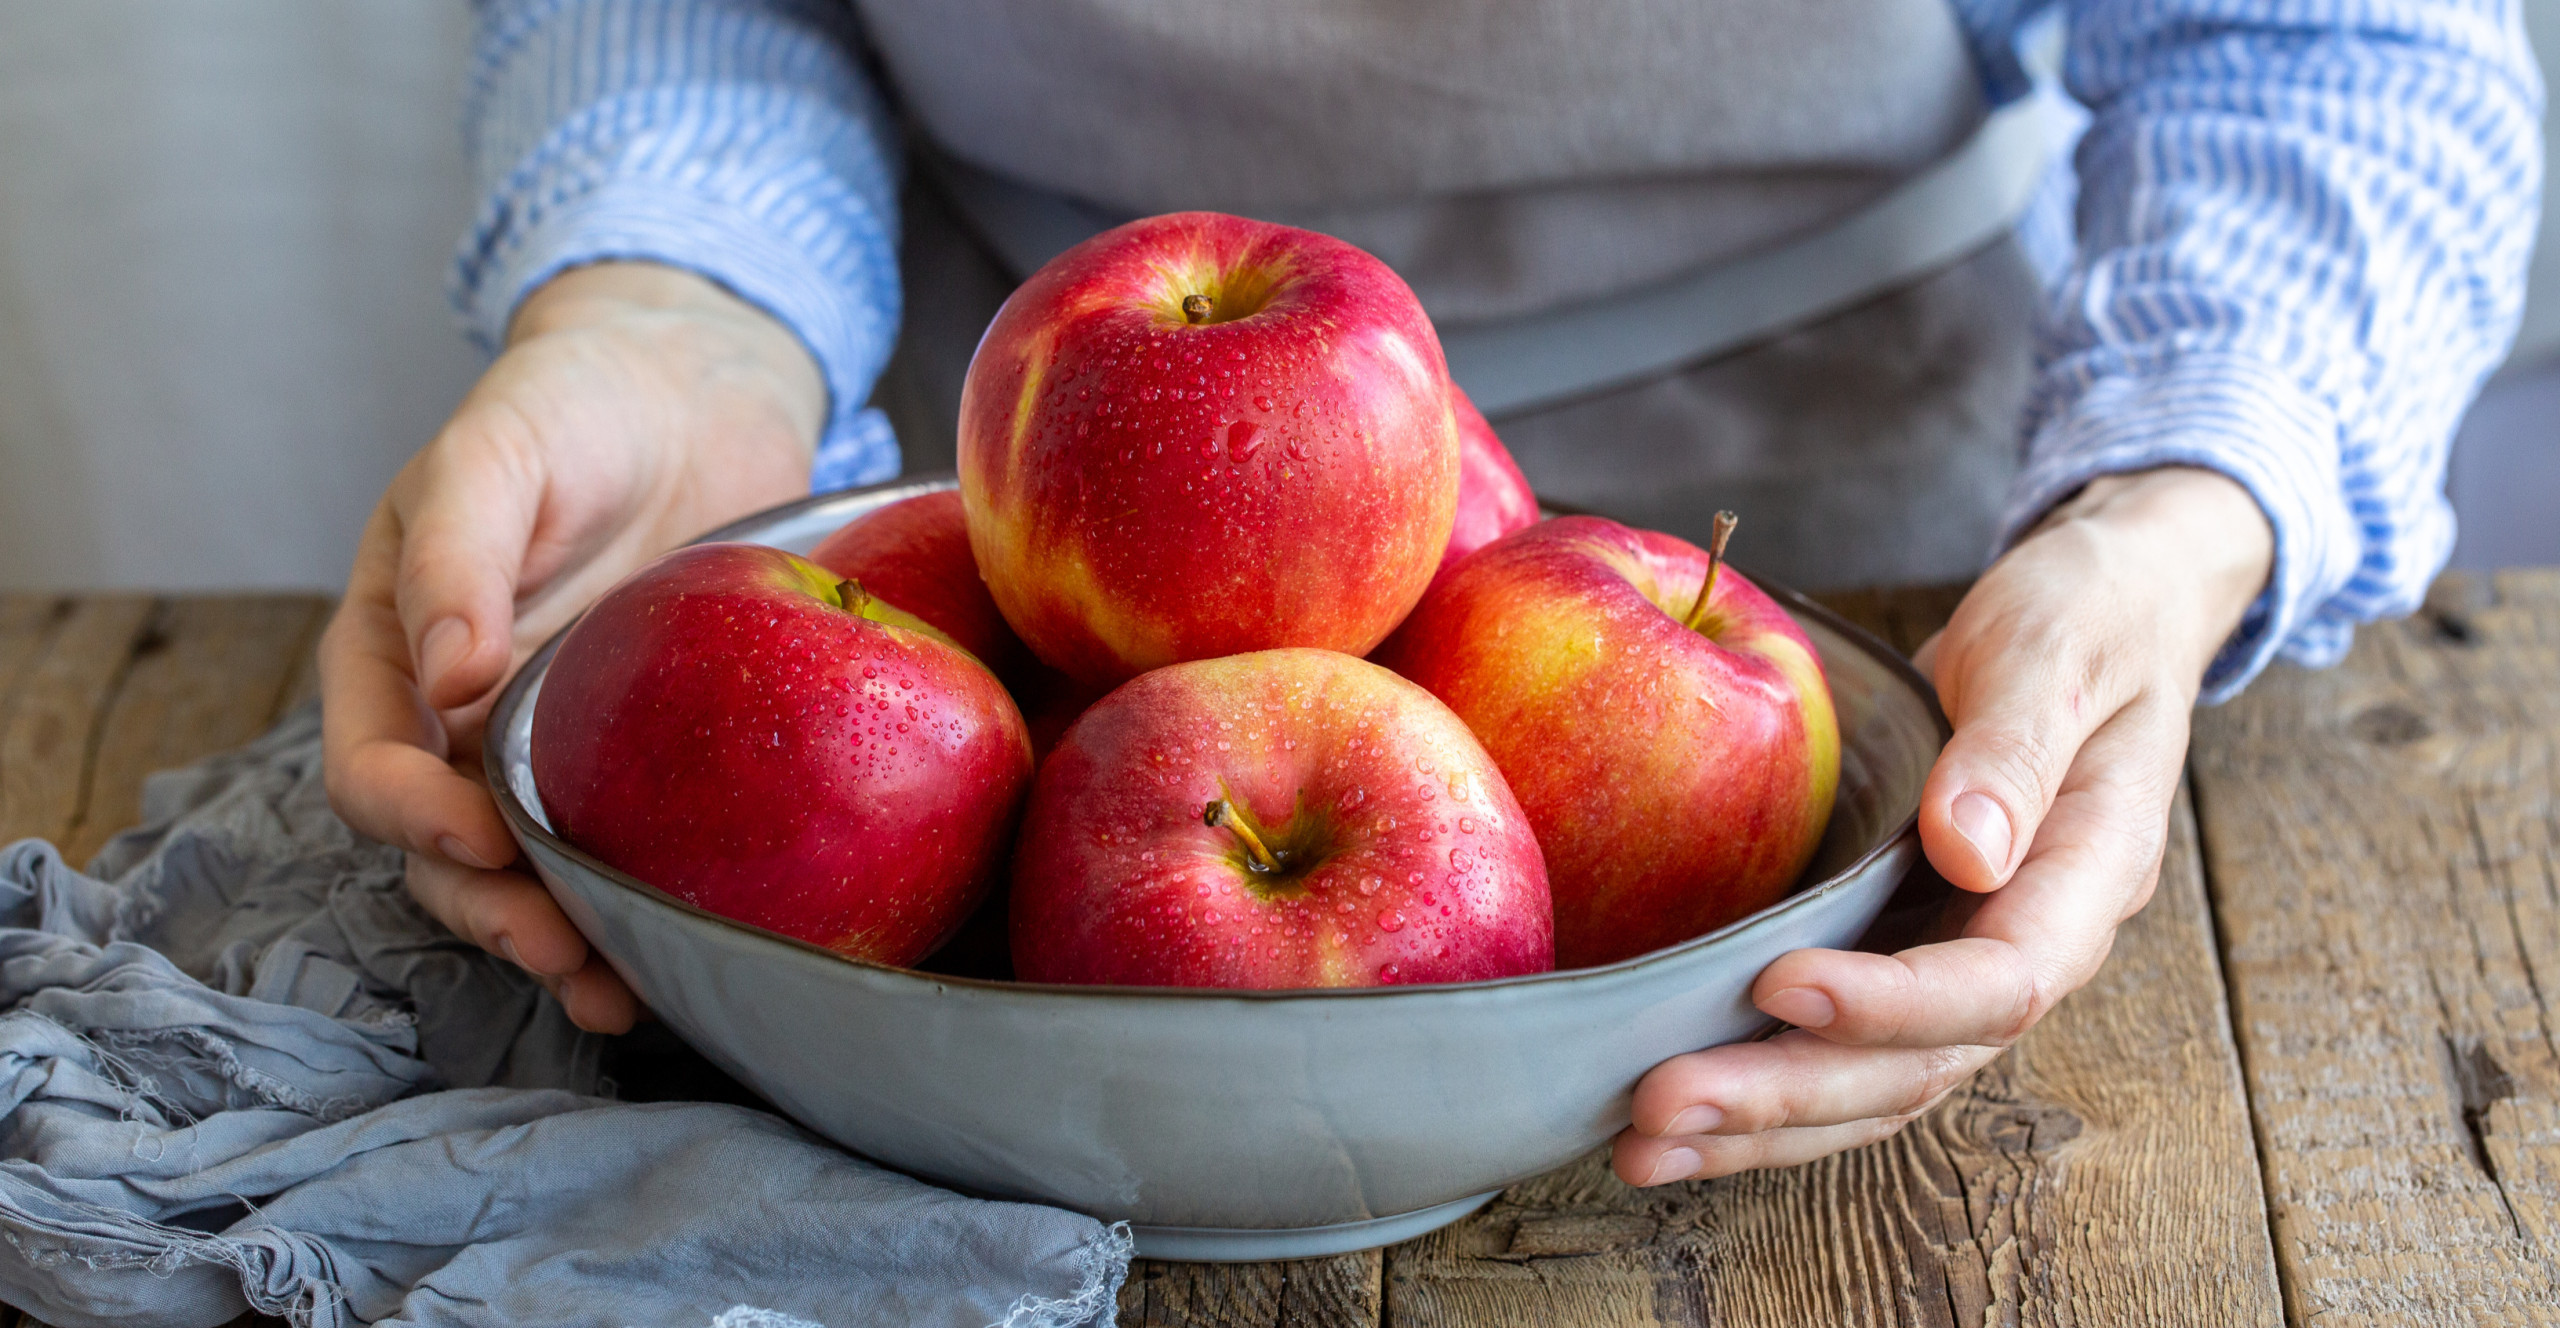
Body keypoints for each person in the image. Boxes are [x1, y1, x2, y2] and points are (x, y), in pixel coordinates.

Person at [321, 0, 2539, 1188]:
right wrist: (668, 315)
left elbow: (2320, 36)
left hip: (1875, 529)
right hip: (1008, 550)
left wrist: (2164, 516)